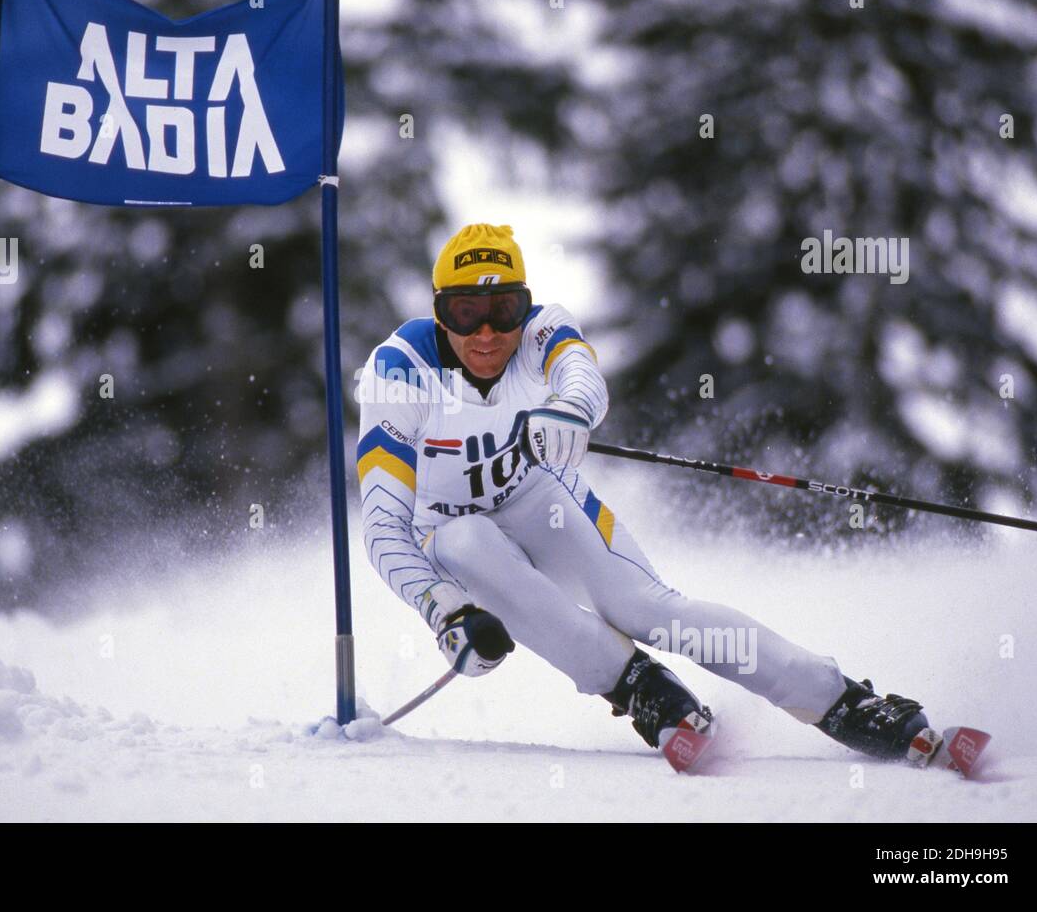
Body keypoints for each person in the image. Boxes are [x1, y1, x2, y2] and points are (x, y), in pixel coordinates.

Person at [355, 222, 940, 766]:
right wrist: (446, 611)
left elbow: (582, 375)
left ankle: (841, 700)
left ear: (523, 307)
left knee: (649, 610)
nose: (486, 333)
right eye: (465, 312)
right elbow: (383, 526)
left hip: (536, 498)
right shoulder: (400, 373)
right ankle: (637, 685)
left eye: (503, 309)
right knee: (465, 541)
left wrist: (569, 411)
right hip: (449, 529)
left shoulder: (540, 330)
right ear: (438, 315)